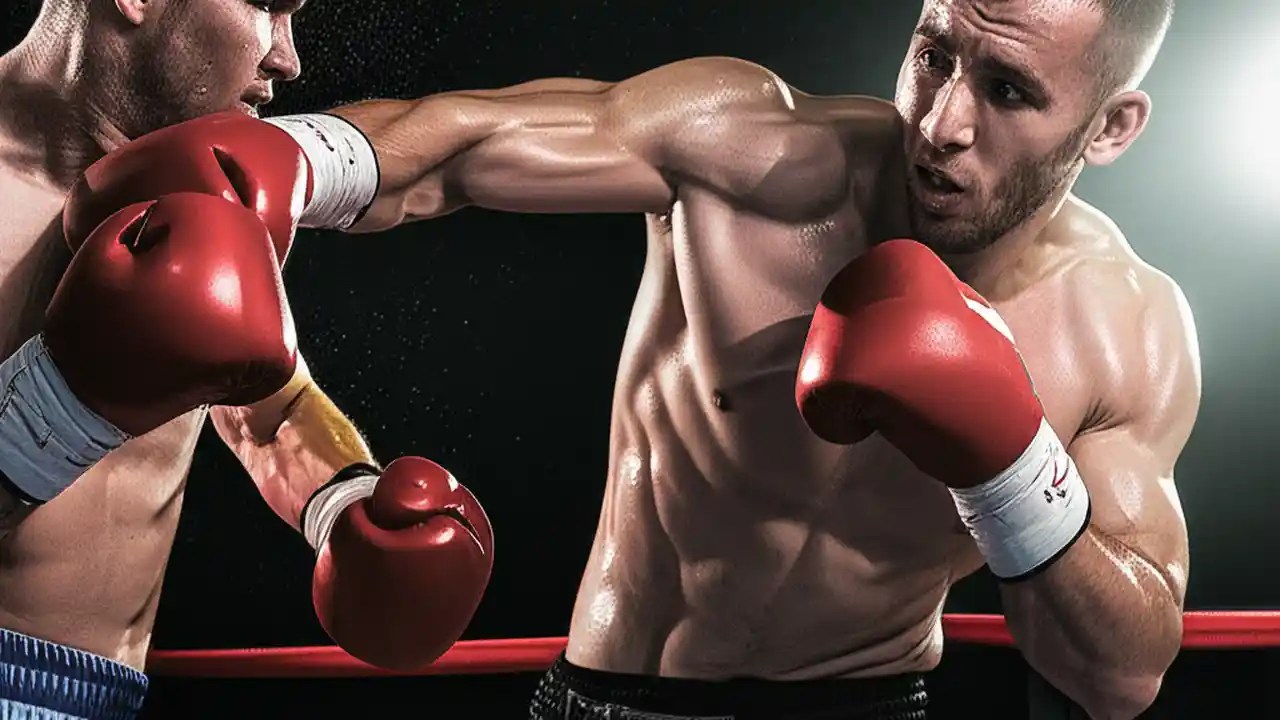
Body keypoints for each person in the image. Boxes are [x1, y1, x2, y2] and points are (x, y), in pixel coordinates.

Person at [34, 0, 1195, 717]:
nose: (941, 122)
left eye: (1005, 94)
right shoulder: (756, 151)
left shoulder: (1123, 331)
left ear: (1109, 127)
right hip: (605, 698)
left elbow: (1120, 674)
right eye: (933, 54)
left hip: (865, 708)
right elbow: (460, 143)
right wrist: (280, 162)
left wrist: (1007, 464)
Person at [0, 1, 493, 717]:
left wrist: (344, 504)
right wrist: (56, 414)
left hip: (109, 699)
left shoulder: (197, 195)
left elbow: (269, 410)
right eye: (267, 5)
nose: (287, 60)